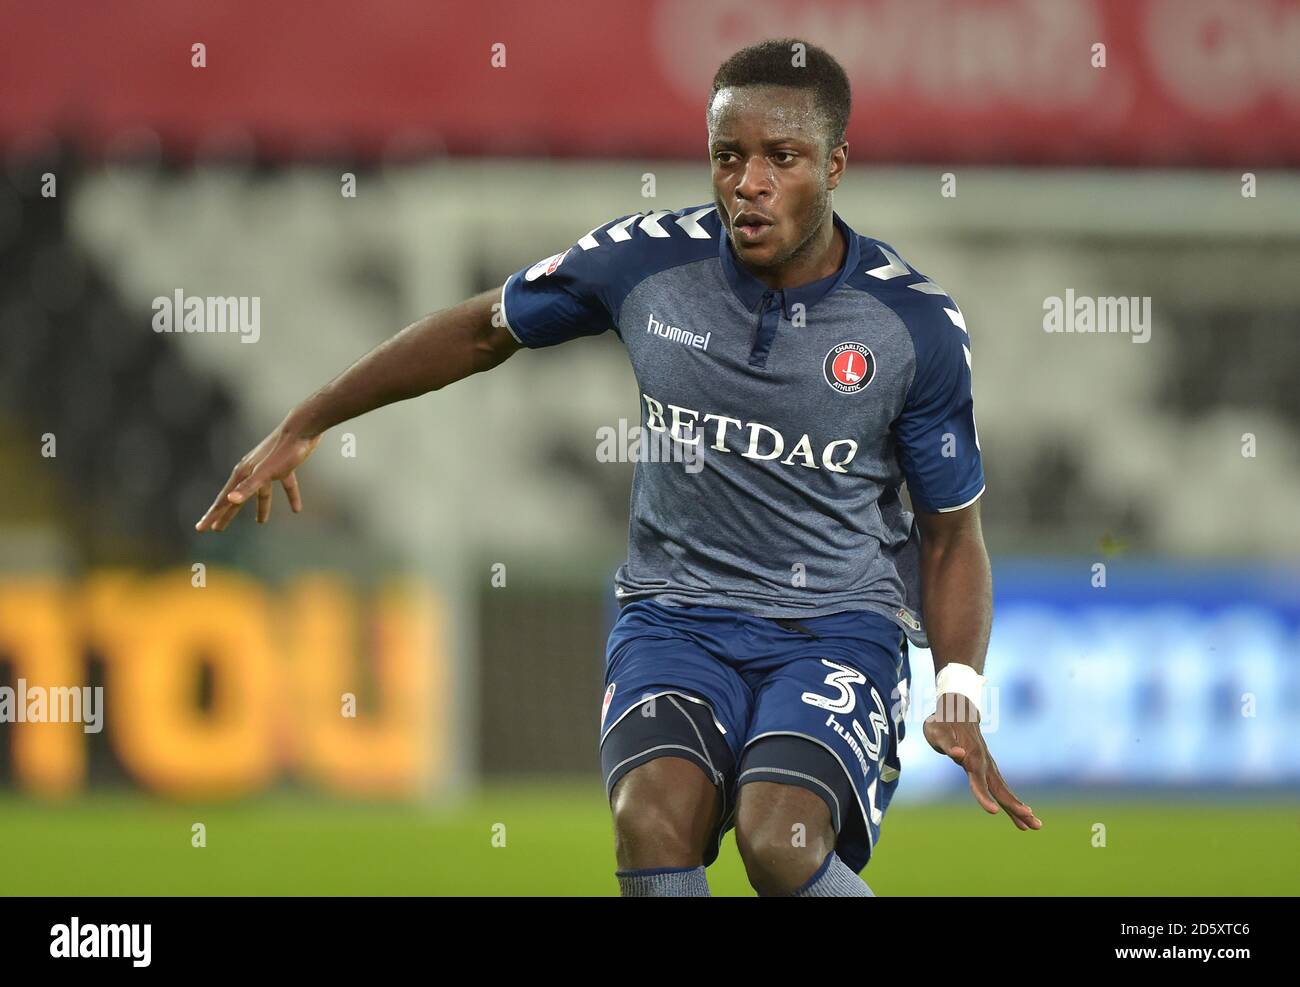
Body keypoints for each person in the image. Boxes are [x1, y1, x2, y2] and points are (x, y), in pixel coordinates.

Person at [196, 37, 1041, 897]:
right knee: (651, 816)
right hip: (675, 620)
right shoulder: (645, 261)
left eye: (781, 158)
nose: (748, 182)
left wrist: (961, 685)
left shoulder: (912, 324)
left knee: (778, 837)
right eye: (727, 156)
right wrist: (311, 420)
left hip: (836, 628)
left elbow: (949, 537)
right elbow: (485, 328)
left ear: (835, 166)